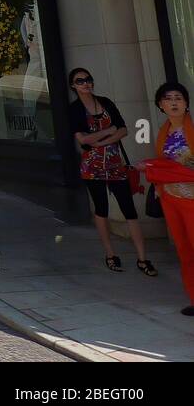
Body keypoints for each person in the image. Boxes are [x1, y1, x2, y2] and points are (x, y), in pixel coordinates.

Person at [67, 68, 153, 275]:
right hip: (92, 166)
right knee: (101, 209)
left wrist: (100, 140)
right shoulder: (75, 109)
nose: (86, 84)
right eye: (80, 81)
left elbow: (123, 129)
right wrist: (108, 131)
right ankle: (110, 254)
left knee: (129, 210)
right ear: (73, 85)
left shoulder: (105, 102)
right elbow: (83, 140)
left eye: (88, 79)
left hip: (115, 163)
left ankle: (143, 258)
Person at [153, 81, 194, 315]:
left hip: (192, 197)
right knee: (184, 249)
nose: (174, 102)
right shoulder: (163, 131)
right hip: (170, 197)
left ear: (186, 103)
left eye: (178, 97)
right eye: (168, 98)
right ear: (161, 105)